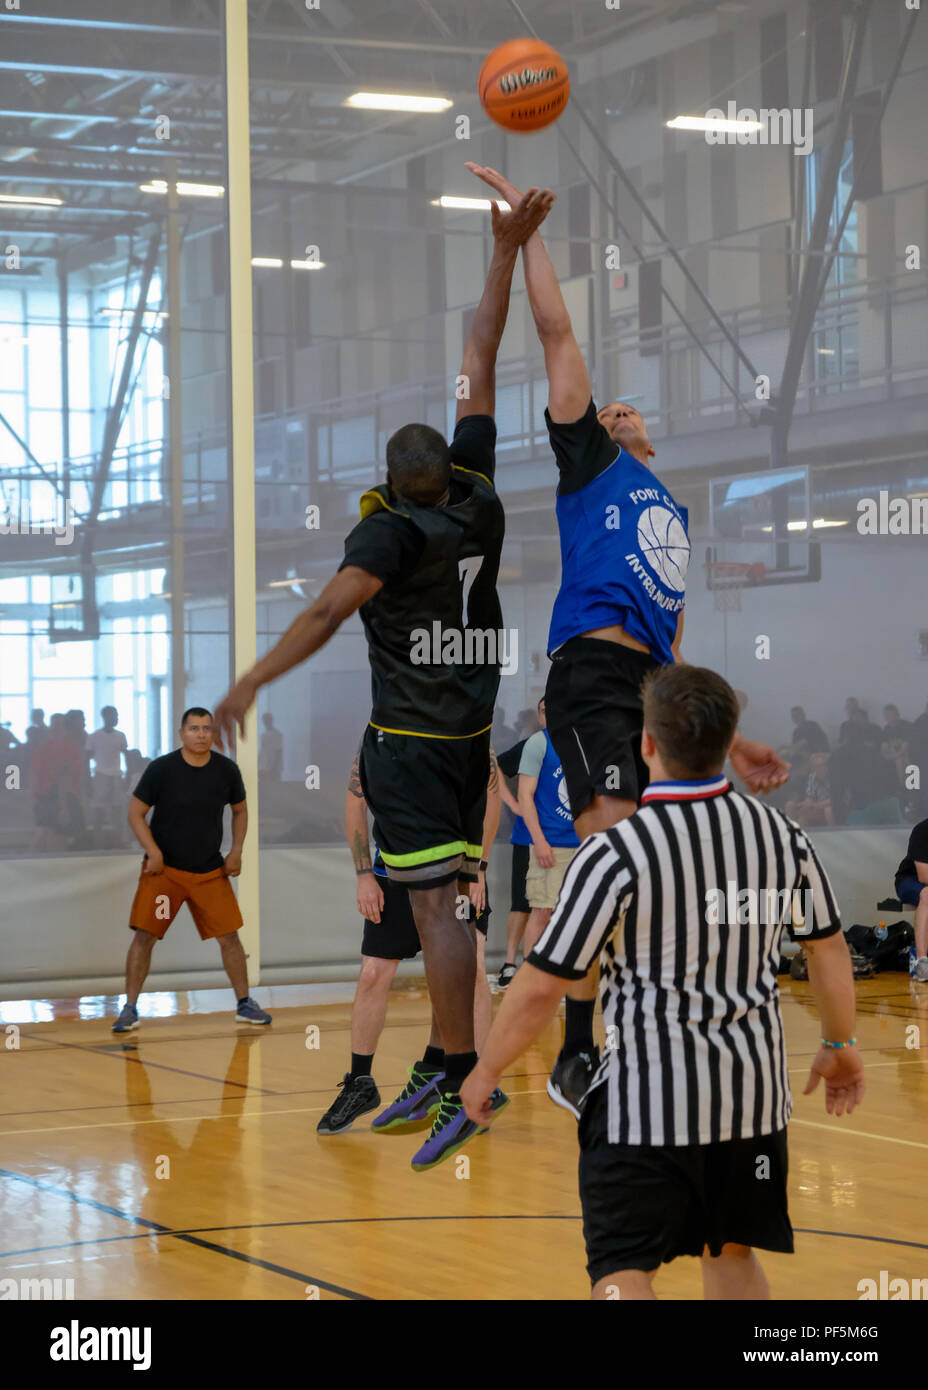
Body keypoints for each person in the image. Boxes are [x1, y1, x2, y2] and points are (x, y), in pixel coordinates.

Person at [212, 187, 556, 1171]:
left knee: (440, 905)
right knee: (452, 894)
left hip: (406, 737)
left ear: (387, 475)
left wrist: (250, 681)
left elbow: (327, 610)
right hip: (468, 725)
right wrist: (502, 252)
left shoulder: (388, 530)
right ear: (446, 464)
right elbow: (481, 358)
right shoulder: (478, 495)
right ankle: (450, 1062)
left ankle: (452, 1064)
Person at [466, 162, 789, 1111]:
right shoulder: (591, 468)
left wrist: (729, 736)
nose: (614, 411)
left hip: (649, 686)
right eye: (604, 411)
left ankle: (649, 1022)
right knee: (617, 854)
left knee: (664, 851)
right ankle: (573, 1050)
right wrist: (524, 244)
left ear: (651, 432)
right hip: (594, 677)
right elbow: (558, 332)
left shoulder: (673, 518)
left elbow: (676, 651)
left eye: (625, 411)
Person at [462, 664, 864, 1300]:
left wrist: (486, 1070)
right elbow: (829, 949)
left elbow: (541, 984)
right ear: (731, 738)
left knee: (623, 1272)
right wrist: (839, 1046)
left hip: (643, 1107)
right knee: (731, 1256)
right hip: (751, 1103)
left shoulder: (615, 852)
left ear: (646, 745)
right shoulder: (785, 838)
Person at [317, 739, 503, 1135]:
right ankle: (360, 1082)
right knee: (372, 975)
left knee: (469, 977)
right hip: (394, 875)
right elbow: (355, 803)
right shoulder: (380, 735)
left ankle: (473, 1086)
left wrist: (480, 869)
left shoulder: (466, 731)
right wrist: (364, 875)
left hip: (456, 876)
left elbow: (491, 799)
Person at [112, 706, 269, 1032]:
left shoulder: (226, 770)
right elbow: (135, 813)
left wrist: (236, 851)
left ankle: (244, 1004)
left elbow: (240, 811)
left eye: (207, 729)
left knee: (230, 938)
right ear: (182, 733)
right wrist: (152, 851)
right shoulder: (161, 769)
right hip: (164, 873)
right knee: (145, 937)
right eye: (194, 729)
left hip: (210, 872)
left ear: (213, 733)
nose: (201, 734)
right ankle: (129, 1009)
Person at [30, 710, 86, 850]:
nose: (56, 728)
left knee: (50, 832)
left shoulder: (69, 747)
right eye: (54, 725)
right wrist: (63, 807)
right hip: (54, 797)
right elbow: (58, 778)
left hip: (58, 796)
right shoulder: (49, 747)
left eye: (58, 726)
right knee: (50, 833)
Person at [893, 817, 928, 981]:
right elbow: (924, 876)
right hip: (909, 880)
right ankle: (921, 962)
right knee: (927, 894)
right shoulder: (922, 830)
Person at [88, 706, 129, 841]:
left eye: (116, 716)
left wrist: (127, 775)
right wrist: (88, 778)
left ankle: (118, 841)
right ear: (105, 717)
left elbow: (125, 756)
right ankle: (97, 843)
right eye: (113, 716)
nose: (115, 719)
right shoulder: (94, 736)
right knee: (99, 812)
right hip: (100, 776)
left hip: (116, 775)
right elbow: (87, 758)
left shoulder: (120, 736)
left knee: (117, 811)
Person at [258, 711, 283, 782]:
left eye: (267, 721)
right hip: (263, 767)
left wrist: (274, 768)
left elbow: (279, 751)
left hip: (273, 769)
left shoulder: (277, 735)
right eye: (264, 721)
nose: (265, 723)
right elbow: (262, 751)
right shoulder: (263, 735)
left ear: (271, 721)